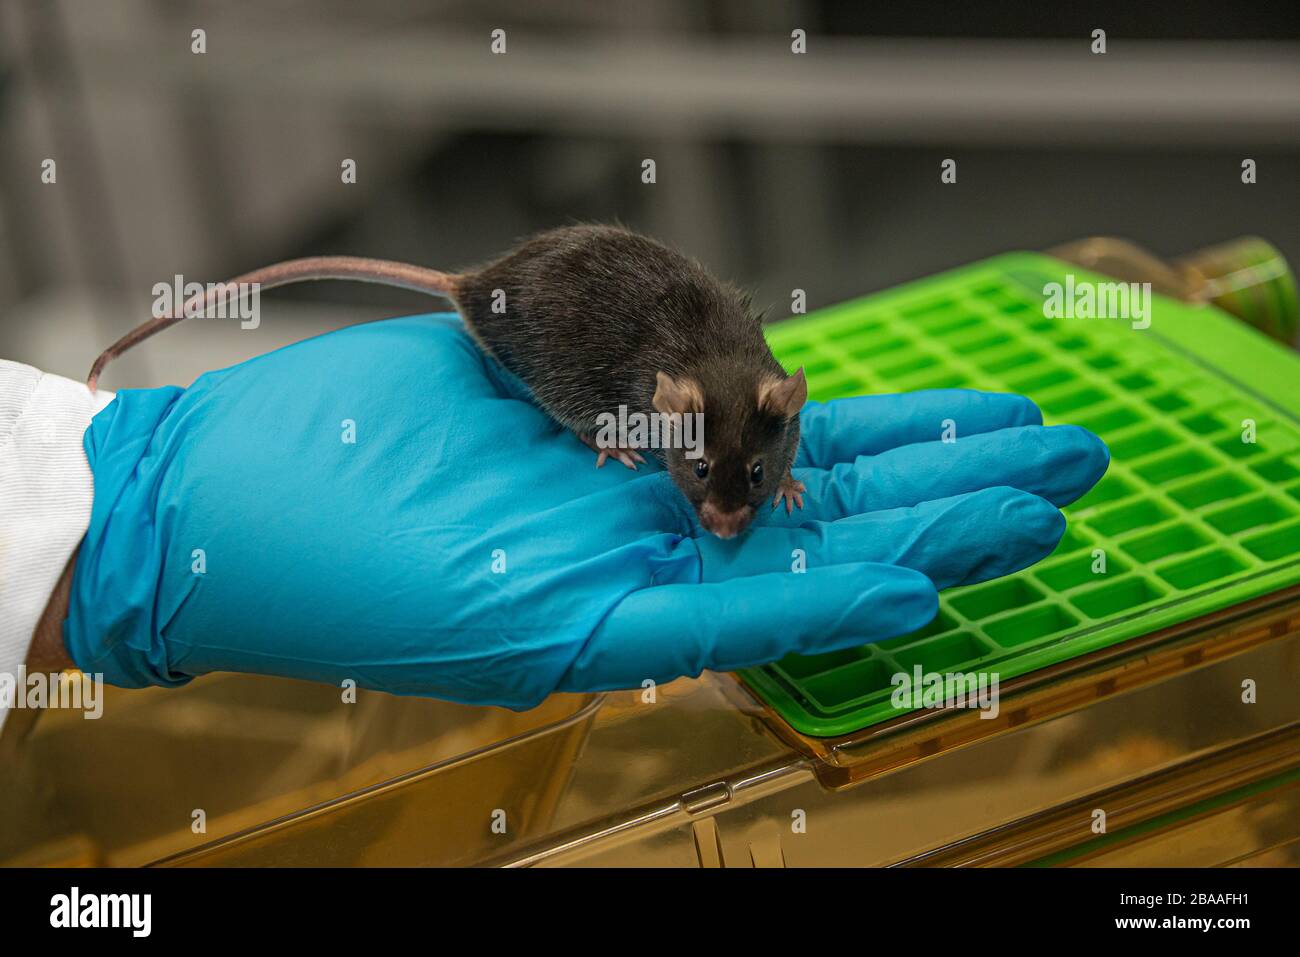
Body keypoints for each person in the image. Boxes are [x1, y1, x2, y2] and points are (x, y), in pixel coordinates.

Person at [0, 311, 1108, 730]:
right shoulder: (650, 409)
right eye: (711, 492)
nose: (726, 520)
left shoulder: (754, 419)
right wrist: (122, 525)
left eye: (749, 494)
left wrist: (112, 482)